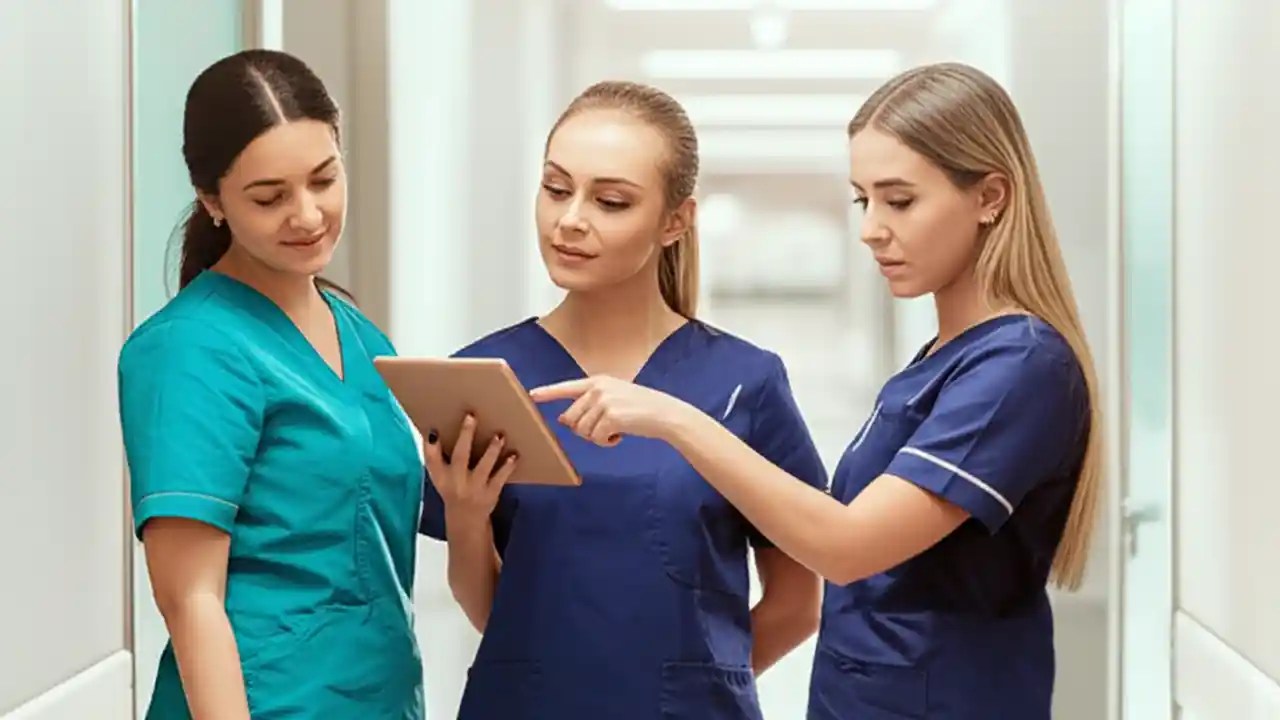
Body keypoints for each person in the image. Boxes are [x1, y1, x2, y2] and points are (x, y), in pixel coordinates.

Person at [532, 62, 1102, 719]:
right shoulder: (940, 361)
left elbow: (847, 547)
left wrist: (674, 420)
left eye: (900, 200)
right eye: (865, 200)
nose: (871, 228)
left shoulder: (1020, 369)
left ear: (991, 197)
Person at [419, 80, 828, 720]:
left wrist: (695, 687)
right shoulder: (485, 376)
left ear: (675, 221)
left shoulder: (746, 383)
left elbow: (799, 603)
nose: (571, 218)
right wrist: (467, 519)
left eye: (610, 201)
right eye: (556, 189)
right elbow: (497, 616)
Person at [117, 50, 430, 720]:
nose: (308, 215)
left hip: (379, 699)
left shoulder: (361, 337)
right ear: (213, 201)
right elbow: (188, 599)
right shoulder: (191, 349)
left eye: (324, 179)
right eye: (270, 197)